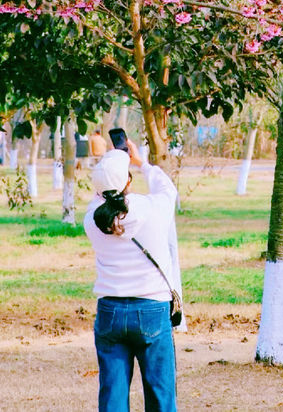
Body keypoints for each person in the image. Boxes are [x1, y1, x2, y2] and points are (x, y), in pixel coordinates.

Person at [84, 142, 178, 412]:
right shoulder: (151, 208)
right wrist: (141, 162)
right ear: (128, 180)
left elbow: (101, 199)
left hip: (110, 310)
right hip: (151, 308)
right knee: (160, 395)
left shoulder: (92, 219)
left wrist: (106, 174)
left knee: (112, 396)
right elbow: (167, 188)